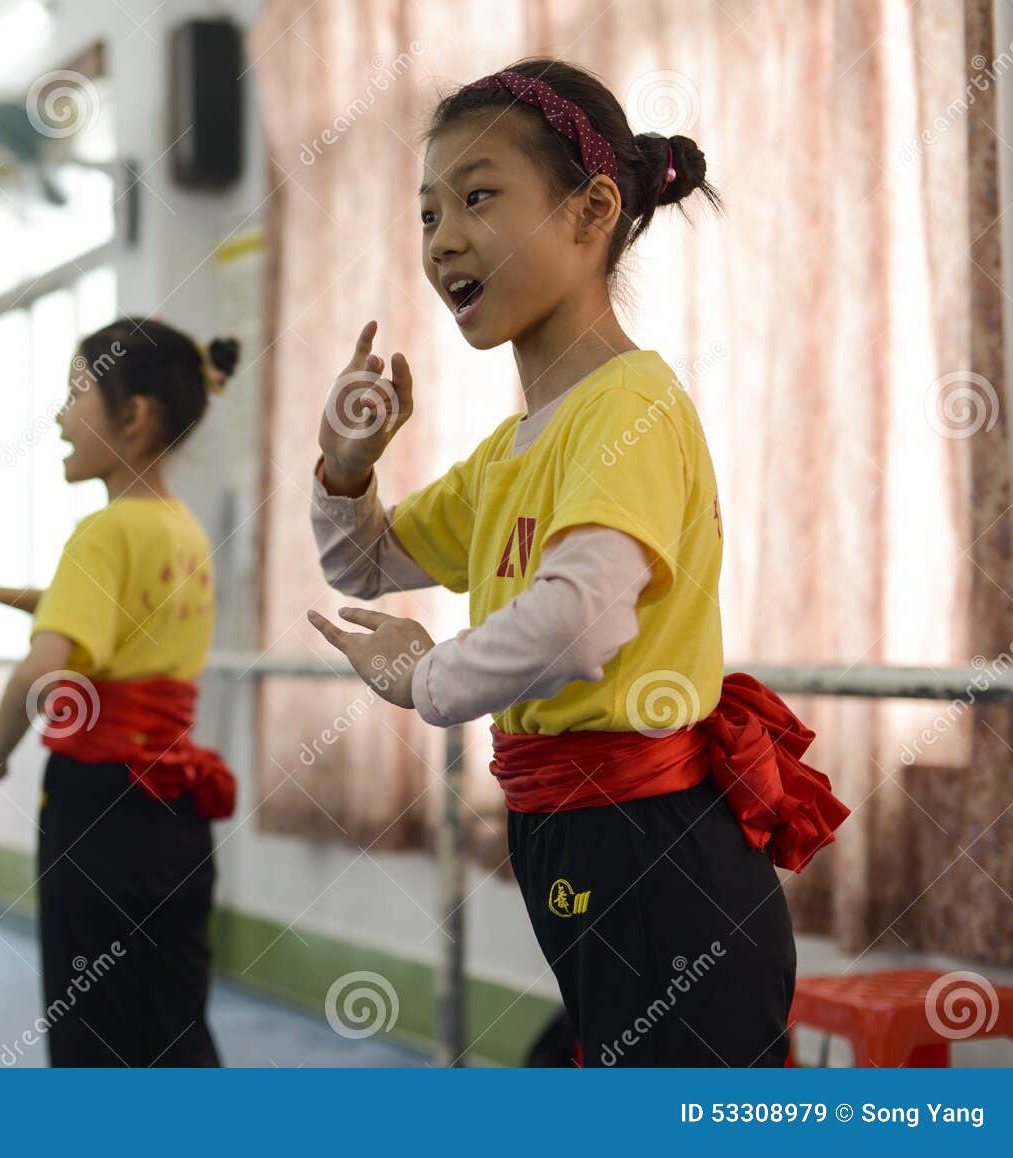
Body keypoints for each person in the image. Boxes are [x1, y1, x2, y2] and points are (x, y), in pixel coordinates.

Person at [308, 59, 848, 1066]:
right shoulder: (511, 451)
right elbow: (367, 564)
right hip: (579, 833)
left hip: (652, 841)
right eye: (427, 213)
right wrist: (345, 469)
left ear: (591, 211)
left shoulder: (629, 405)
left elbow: (581, 618)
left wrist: (425, 675)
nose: (443, 239)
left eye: (477, 197)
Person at [0, 318, 239, 1067]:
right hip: (174, 808)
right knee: (174, 1028)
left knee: (93, 1036)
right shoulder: (182, 529)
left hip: (100, 809)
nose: (59, 418)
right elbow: (109, 614)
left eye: (76, 395)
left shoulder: (103, 533)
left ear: (133, 415)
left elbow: (42, 668)